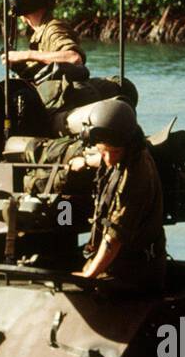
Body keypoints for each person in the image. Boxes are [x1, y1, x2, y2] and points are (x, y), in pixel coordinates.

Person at [71, 99, 166, 291]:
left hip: (133, 272)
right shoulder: (129, 151)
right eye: (102, 151)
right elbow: (109, 156)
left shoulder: (135, 178)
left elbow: (115, 236)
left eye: (114, 152)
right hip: (116, 263)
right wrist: (87, 161)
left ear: (126, 145)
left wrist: (90, 276)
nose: (109, 159)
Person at [0, 0, 87, 86]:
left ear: (17, 2)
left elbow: (73, 58)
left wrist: (25, 55)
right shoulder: (41, 30)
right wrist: (19, 65)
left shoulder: (52, 29)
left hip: (61, 99)